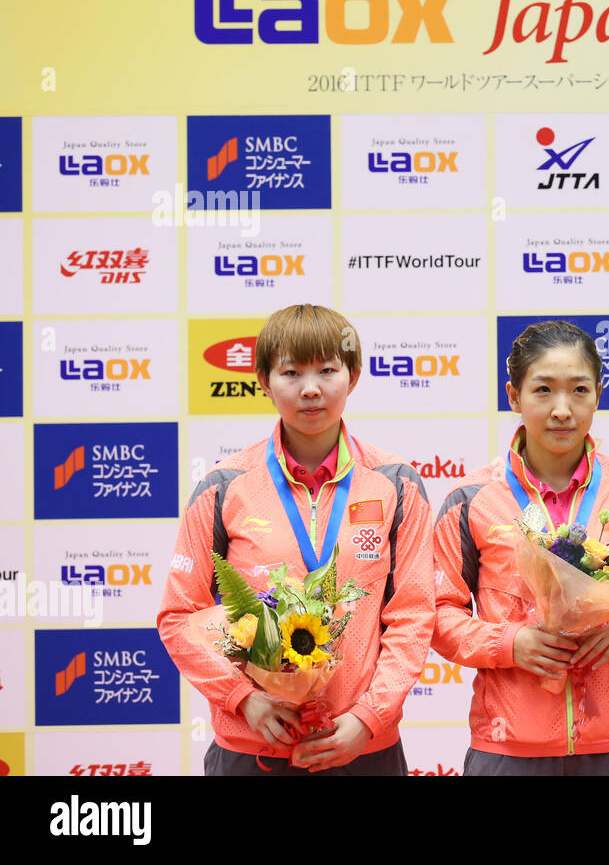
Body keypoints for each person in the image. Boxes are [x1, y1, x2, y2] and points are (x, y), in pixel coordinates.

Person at [158, 304, 437, 775]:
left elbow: (413, 614)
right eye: (291, 372)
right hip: (253, 749)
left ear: (353, 375)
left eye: (327, 370)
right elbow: (177, 617)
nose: (311, 389)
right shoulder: (225, 486)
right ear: (264, 381)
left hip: (363, 748)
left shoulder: (395, 483)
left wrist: (368, 719)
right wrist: (243, 699)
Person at [431, 320, 609, 774]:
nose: (562, 409)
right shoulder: (472, 499)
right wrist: (510, 642)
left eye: (579, 390)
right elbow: (437, 612)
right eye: (543, 390)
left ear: (598, 394)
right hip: (508, 747)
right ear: (513, 396)